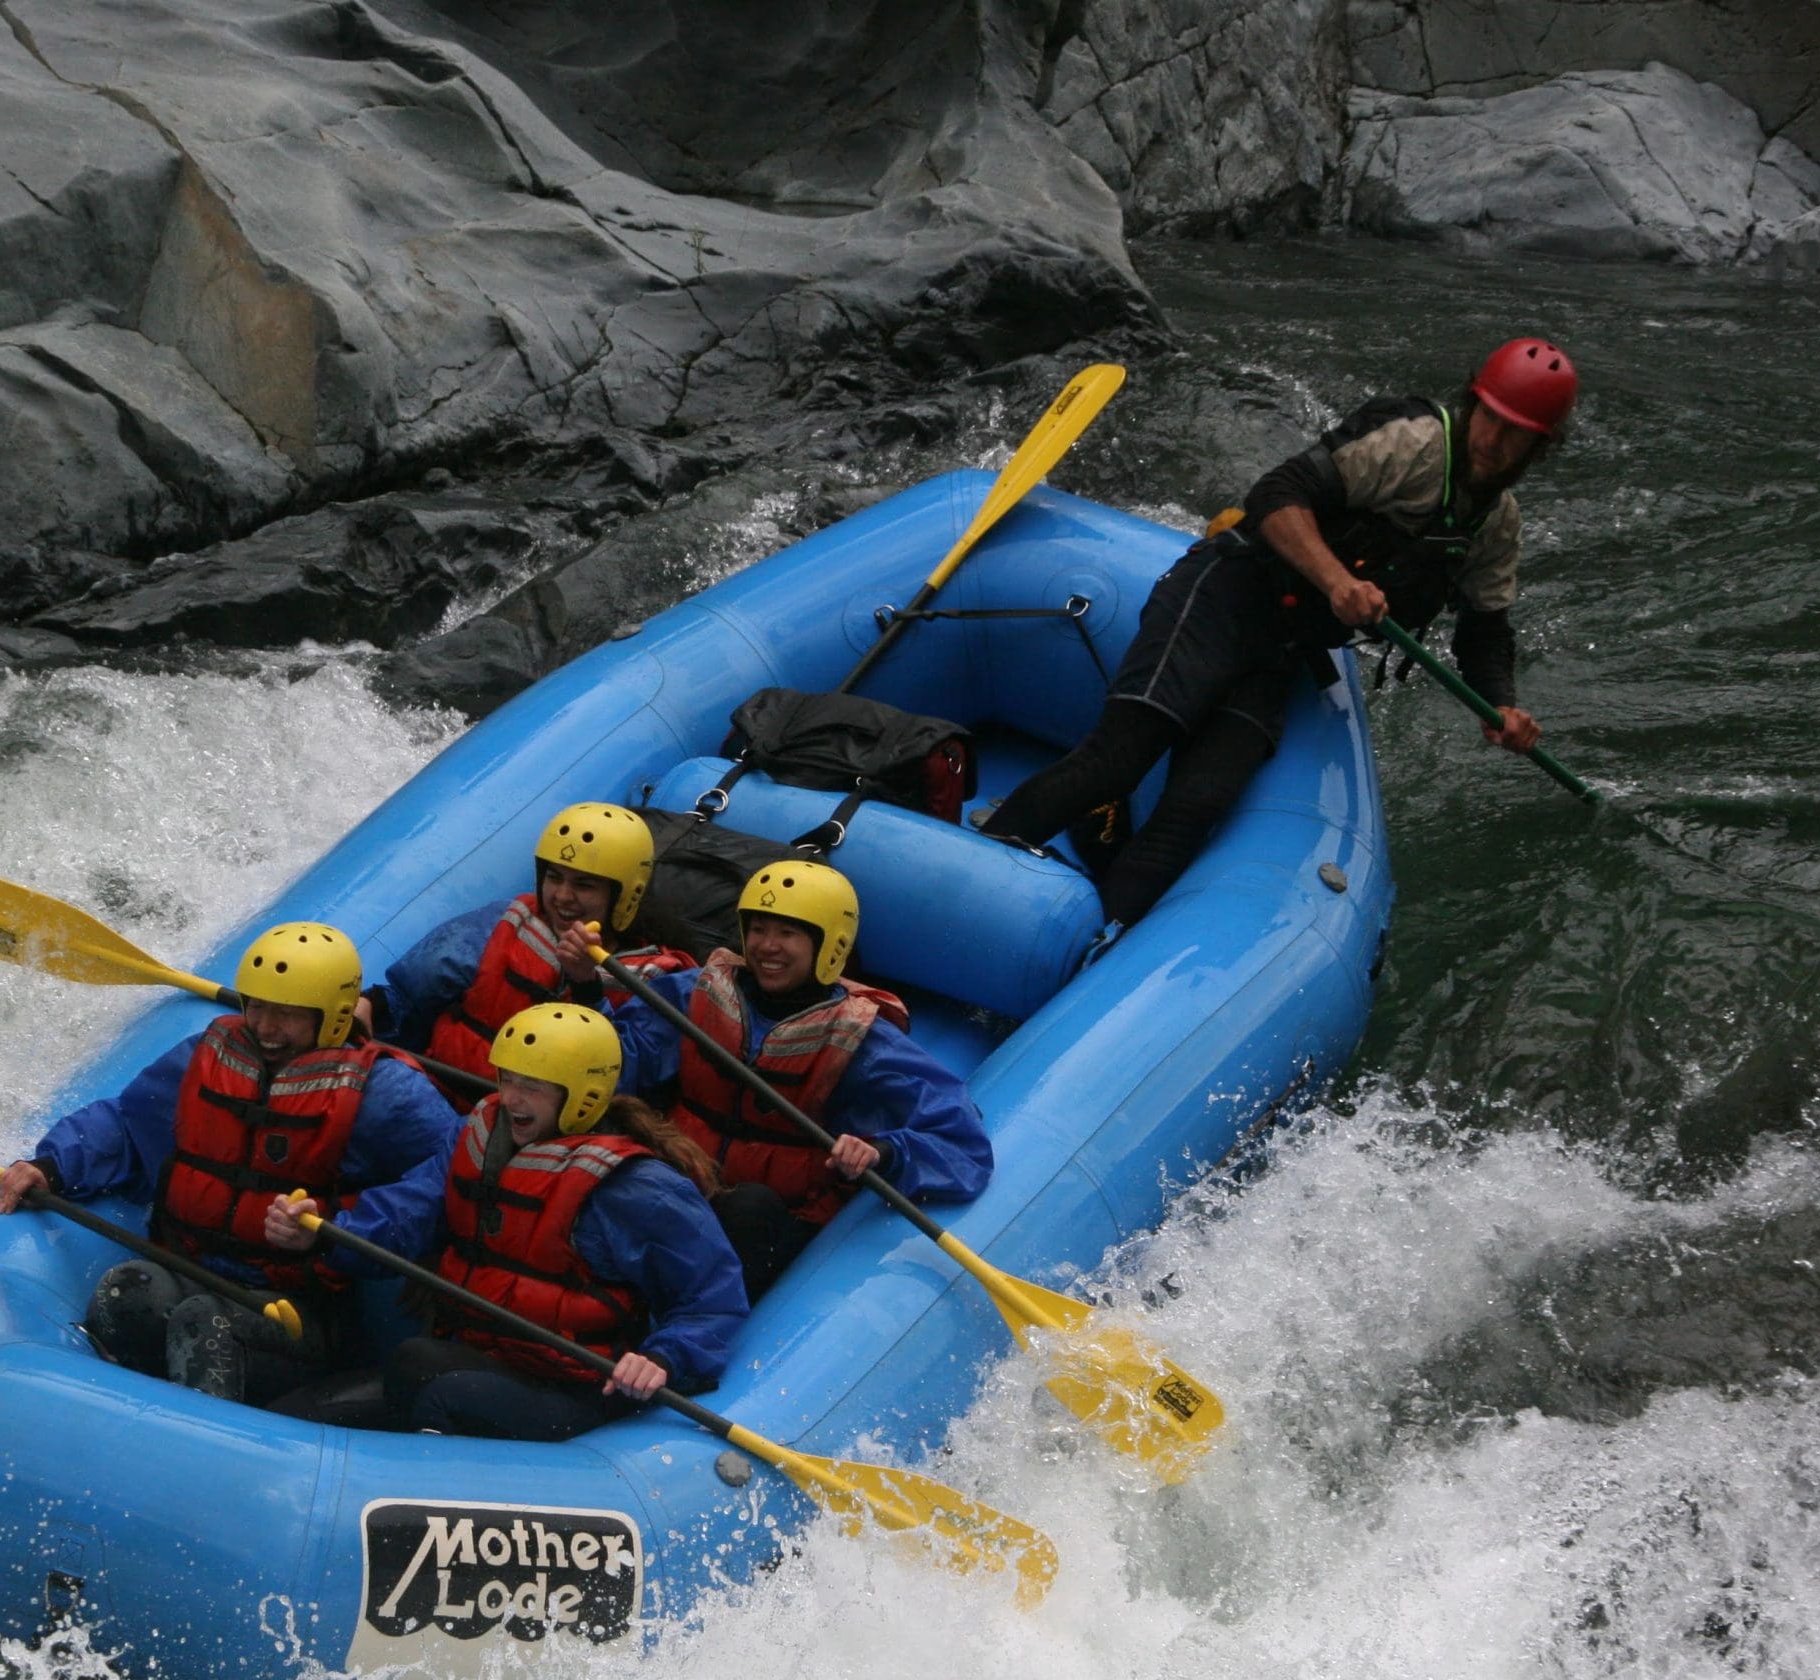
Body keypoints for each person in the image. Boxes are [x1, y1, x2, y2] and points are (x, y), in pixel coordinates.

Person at [980, 337, 1580, 926]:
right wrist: (1337, 580)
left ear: (1538, 447)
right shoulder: (1413, 441)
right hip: (1225, 594)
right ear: (1474, 404)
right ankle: (983, 869)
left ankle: (1092, 947)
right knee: (1118, 760)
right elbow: (1276, 494)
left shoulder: (1497, 526)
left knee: (1192, 812)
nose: (1493, 440)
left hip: (1282, 650)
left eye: (1515, 433)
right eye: (1490, 418)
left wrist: (1502, 704)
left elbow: (1485, 629)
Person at [0, 922, 459, 1407]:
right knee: (126, 1290)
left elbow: (454, 1173)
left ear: (334, 1017)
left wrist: (342, 1229)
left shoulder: (385, 1093)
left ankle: (193, 1456)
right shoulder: (208, 1055)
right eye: (256, 1005)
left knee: (204, 1323)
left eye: (285, 1013)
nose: (264, 1026)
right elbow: (129, 1124)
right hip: (194, 1267)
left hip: (299, 1312)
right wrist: (52, 1164)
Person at [268, 1002, 746, 1440]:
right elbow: (408, 1211)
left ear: (582, 1094)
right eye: (508, 1079)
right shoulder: (479, 1139)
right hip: (490, 1358)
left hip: (579, 1387)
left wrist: (664, 1356)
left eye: (532, 1087)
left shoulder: (637, 1187)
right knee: (387, 1373)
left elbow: (713, 1299)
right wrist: (322, 1234)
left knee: (443, 1391)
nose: (512, 1099)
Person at [610, 860, 994, 1298]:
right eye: (758, 929)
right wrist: (586, 994)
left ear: (829, 944)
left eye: (787, 933)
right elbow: (623, 1056)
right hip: (679, 1178)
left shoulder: (865, 1042)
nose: (767, 947)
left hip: (779, 1218)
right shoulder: (695, 991)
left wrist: (883, 1151)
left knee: (746, 1209)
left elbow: (964, 1147)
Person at [361, 802, 695, 1088]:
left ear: (622, 896)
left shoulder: (657, 979)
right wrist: (370, 1006)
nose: (562, 897)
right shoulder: (504, 923)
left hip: (531, 1129)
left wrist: (586, 988)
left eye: (584, 885)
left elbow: (624, 1076)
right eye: (554, 878)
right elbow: (406, 996)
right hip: (436, 1088)